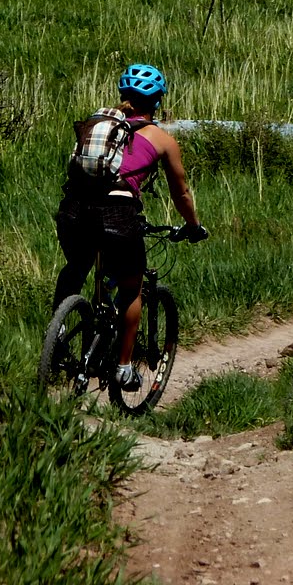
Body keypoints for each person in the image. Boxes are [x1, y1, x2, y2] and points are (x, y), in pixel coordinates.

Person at [53, 63, 207, 390]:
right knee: (131, 288)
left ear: (123, 95)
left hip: (73, 210)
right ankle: (123, 368)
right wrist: (193, 226)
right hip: (117, 215)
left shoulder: (100, 123)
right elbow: (181, 193)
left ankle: (58, 330)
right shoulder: (163, 139)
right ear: (158, 101)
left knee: (77, 265)